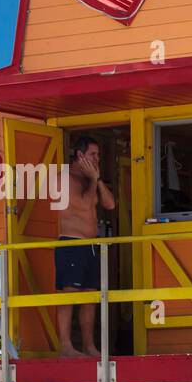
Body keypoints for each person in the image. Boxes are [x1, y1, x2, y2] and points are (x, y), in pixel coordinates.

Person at [55, 135, 116, 357]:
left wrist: (97, 180)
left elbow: (109, 204)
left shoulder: (90, 180)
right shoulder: (65, 178)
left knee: (90, 297)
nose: (97, 158)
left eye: (98, 155)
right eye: (93, 154)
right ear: (80, 155)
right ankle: (65, 346)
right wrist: (93, 180)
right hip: (71, 242)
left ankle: (89, 346)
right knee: (69, 294)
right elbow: (82, 205)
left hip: (90, 244)